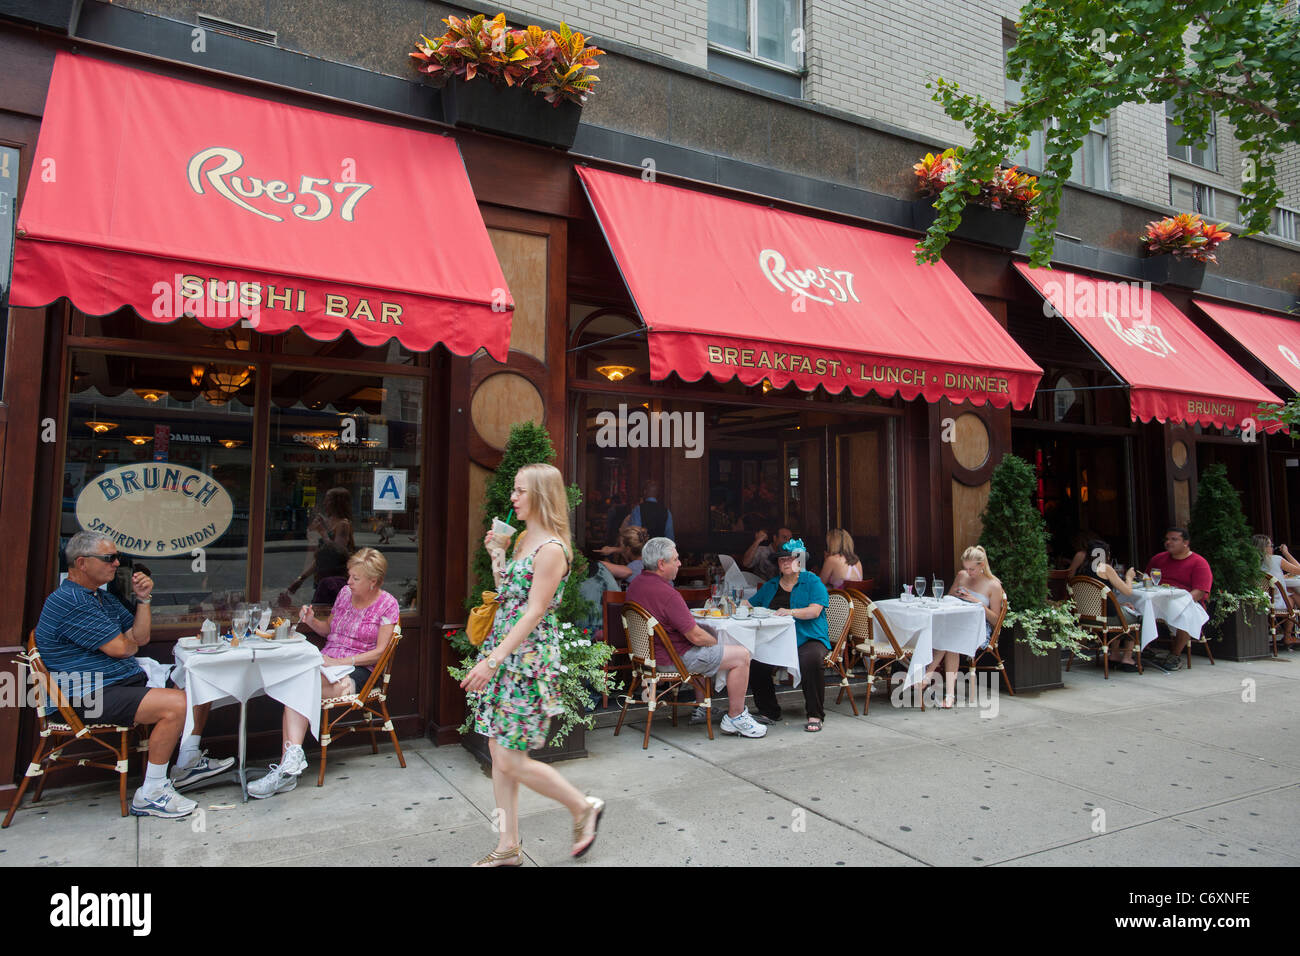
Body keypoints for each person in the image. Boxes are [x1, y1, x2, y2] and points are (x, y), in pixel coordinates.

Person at [460, 464, 606, 866]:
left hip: (526, 660)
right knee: (496, 747)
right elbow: (509, 595)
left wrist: (493, 660)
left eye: (520, 491)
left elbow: (535, 612)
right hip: (507, 652)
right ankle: (509, 845)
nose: (513, 497)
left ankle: (583, 806)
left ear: (541, 495)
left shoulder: (553, 550)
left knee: (509, 758)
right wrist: (498, 556)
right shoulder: (524, 539)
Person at [35, 532, 234, 818]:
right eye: (109, 558)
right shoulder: (70, 600)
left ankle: (188, 761)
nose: (117, 563)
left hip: (117, 681)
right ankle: (151, 792)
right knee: (176, 704)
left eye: (118, 558)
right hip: (84, 694)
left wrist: (143, 599)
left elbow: (141, 636)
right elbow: (122, 649)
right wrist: (126, 644)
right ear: (81, 563)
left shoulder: (101, 597)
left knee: (198, 679)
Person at [248, 547, 399, 799]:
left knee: (297, 684)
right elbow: (329, 631)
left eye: (355, 578)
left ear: (373, 581)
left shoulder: (387, 604)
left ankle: (289, 765)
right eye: (349, 575)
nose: (348, 582)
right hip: (328, 663)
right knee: (298, 681)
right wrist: (310, 621)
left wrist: (340, 660)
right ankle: (291, 763)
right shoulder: (343, 594)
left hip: (359, 670)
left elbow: (380, 653)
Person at [627, 537, 766, 739]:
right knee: (741, 655)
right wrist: (717, 642)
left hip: (648, 658)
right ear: (661, 564)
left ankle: (702, 707)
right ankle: (736, 717)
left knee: (711, 645)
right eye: (675, 559)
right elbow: (695, 637)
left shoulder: (636, 585)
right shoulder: (668, 593)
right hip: (673, 659)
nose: (679, 563)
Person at [747, 539, 831, 732]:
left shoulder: (812, 581)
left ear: (799, 560)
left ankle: (815, 714)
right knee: (755, 659)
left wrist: (790, 612)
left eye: (790, 558)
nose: (785, 562)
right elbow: (750, 605)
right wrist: (732, 604)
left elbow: (814, 611)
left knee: (810, 659)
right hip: (776, 639)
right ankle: (769, 711)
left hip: (808, 637)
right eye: (781, 559)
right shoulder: (771, 585)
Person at [930, 546, 1005, 708]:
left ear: (982, 565)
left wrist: (976, 602)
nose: (968, 572)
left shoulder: (993, 585)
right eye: (966, 568)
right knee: (945, 635)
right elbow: (947, 600)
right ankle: (947, 694)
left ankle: (929, 675)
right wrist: (956, 596)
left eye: (972, 569)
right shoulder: (962, 576)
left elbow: (995, 620)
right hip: (956, 623)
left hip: (980, 630)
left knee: (951, 639)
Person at [1144, 526, 1212, 668]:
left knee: (1186, 615)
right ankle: (1145, 648)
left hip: (1187, 602)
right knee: (1138, 607)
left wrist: (1182, 603)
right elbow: (1146, 579)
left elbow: (1199, 591)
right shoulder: (1158, 559)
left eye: (1174, 539)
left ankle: (1175, 655)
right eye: (1167, 539)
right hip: (1159, 600)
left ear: (1186, 543)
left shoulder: (1199, 562)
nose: (1168, 542)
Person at [1078, 543, 1144, 672]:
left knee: (1122, 611)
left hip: (1087, 617)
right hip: (1106, 618)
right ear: (1106, 555)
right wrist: (1129, 577)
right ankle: (1127, 658)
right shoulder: (1105, 568)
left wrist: (1119, 605)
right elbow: (1127, 591)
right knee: (1136, 616)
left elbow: (1097, 598)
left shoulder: (1082, 569)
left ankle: (1114, 655)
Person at [285, 487, 355, 606]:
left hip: (334, 581)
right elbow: (321, 557)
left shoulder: (343, 524)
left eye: (328, 500)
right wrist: (301, 579)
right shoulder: (331, 523)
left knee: (324, 612)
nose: (324, 503)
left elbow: (337, 553)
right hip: (322, 577)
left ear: (336, 503)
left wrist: (323, 533)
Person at [1254, 535, 1300, 649]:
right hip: (1277, 603)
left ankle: (1288, 636)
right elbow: (1299, 570)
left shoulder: (1253, 563)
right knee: (1293, 594)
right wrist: (1286, 553)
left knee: (1290, 591)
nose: (1272, 548)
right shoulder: (1276, 559)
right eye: (1271, 546)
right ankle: (1288, 636)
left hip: (1262, 603)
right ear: (1264, 548)